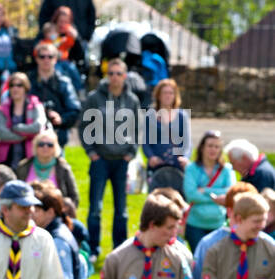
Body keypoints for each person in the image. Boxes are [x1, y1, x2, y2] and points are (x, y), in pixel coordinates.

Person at [81, 59, 141, 259]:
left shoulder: (132, 100)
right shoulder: (94, 98)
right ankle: (93, 250)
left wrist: (130, 154)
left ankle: (120, 249)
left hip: (121, 161)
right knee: (95, 208)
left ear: (125, 76)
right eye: (111, 73)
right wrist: (91, 153)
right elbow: (84, 126)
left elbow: (137, 129)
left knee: (121, 210)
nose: (115, 77)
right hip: (100, 159)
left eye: (119, 73)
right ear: (107, 75)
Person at [183, 131, 234, 254]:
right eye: (210, 146)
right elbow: (191, 195)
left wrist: (205, 190)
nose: (213, 150)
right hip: (196, 225)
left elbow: (230, 193)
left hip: (218, 225)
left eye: (217, 147)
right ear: (202, 148)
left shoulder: (226, 169)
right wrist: (217, 198)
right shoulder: (192, 169)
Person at [29, 40, 79, 149]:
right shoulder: (28, 81)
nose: (46, 60)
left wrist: (61, 119)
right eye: (42, 56)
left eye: (50, 56)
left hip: (57, 136)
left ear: (55, 59)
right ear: (37, 59)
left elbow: (74, 110)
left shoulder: (64, 82)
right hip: (31, 135)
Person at [142, 79, 190, 193]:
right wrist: (151, 157)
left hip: (177, 166)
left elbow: (187, 142)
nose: (168, 96)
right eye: (165, 93)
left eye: (171, 93)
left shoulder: (182, 116)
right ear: (158, 95)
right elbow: (145, 143)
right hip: (157, 166)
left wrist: (185, 157)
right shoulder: (150, 116)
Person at [15, 124, 78, 202]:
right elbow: (16, 194)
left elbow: (74, 197)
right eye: (41, 144)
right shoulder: (23, 167)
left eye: (50, 145)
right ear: (35, 147)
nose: (45, 147)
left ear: (55, 147)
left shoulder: (63, 168)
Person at [0, 73, 46, 168]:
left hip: (30, 157)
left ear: (26, 87)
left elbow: (38, 127)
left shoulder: (36, 105)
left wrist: (16, 128)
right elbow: (2, 134)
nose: (15, 88)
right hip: (7, 158)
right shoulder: (4, 107)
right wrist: (26, 135)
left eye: (19, 85)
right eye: (12, 85)